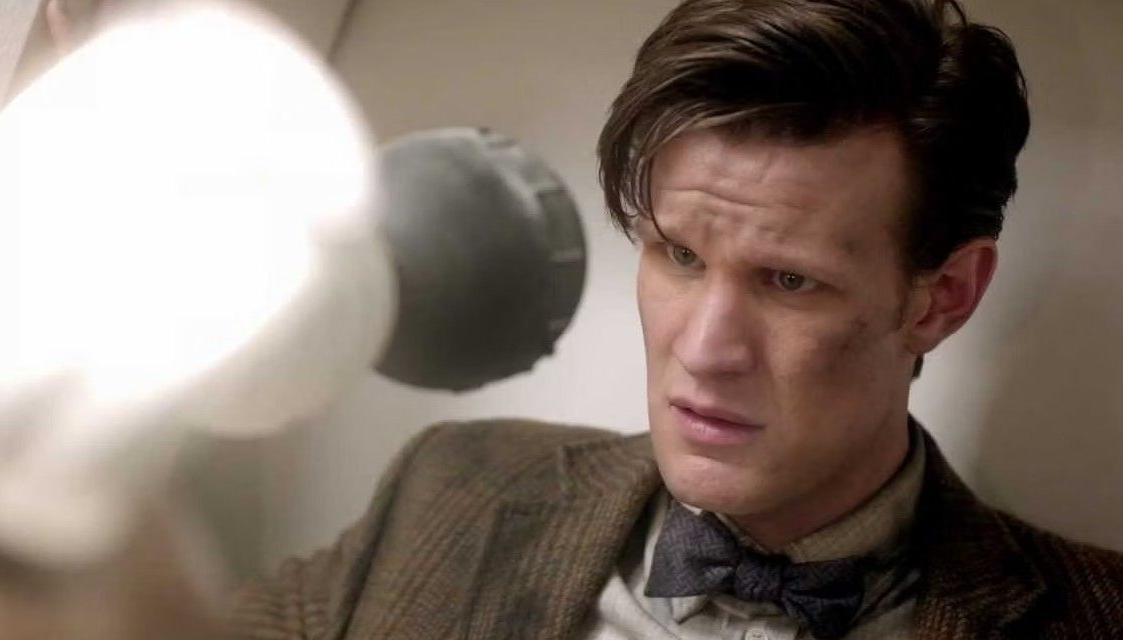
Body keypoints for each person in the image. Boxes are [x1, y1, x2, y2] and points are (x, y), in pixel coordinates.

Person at [232, 0, 1123, 638]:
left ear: (944, 296)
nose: (702, 350)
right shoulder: (451, 485)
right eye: (680, 256)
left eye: (789, 281)